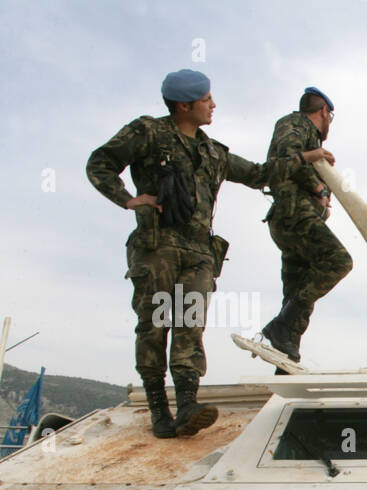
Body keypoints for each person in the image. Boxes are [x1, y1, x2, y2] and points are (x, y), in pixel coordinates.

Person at [87, 69, 273, 438]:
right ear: (184, 104)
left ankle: (187, 404)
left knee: (190, 324)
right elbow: (100, 163)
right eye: (207, 99)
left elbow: (257, 174)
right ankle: (159, 410)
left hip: (199, 252)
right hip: (158, 248)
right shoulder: (148, 133)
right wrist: (128, 199)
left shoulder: (212, 152)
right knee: (155, 324)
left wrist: (304, 161)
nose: (213, 105)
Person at [261, 87, 352, 367]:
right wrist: (317, 186)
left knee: (298, 294)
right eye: (330, 117)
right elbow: (287, 159)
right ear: (324, 111)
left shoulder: (307, 137)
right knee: (339, 261)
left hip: (293, 217)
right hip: (294, 215)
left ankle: (286, 363)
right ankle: (280, 325)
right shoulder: (296, 124)